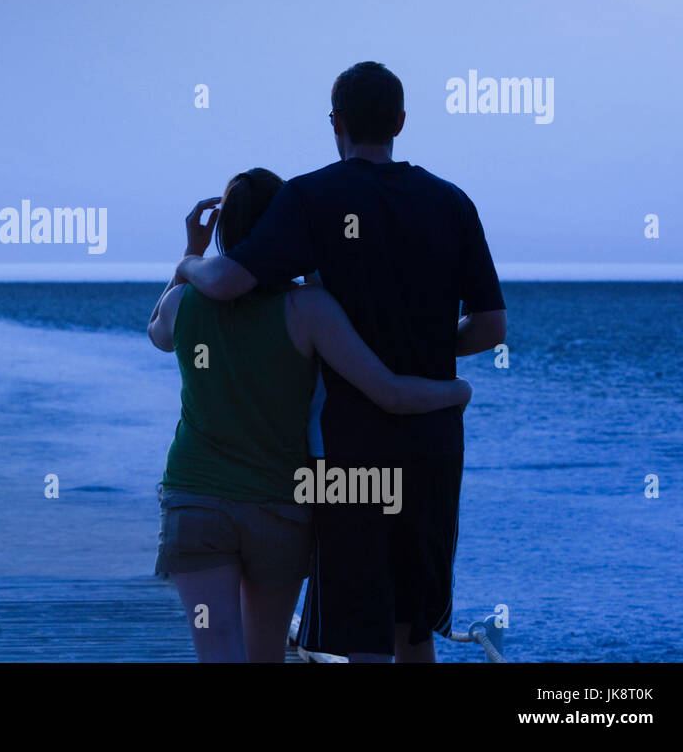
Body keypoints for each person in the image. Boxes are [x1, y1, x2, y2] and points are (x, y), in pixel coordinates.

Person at [176, 62, 506, 663]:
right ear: (401, 122)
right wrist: (430, 350)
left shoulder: (311, 197)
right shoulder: (452, 201)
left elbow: (226, 283)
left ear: (337, 123)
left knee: (361, 632)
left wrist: (189, 261)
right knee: (416, 626)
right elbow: (489, 327)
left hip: (347, 451)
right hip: (433, 444)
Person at [149, 169, 472, 663]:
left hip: (195, 502)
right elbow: (389, 393)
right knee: (265, 656)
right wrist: (455, 390)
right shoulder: (308, 310)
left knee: (217, 653)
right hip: (278, 508)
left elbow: (156, 331)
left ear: (223, 230)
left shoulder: (181, 302)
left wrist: (189, 254)